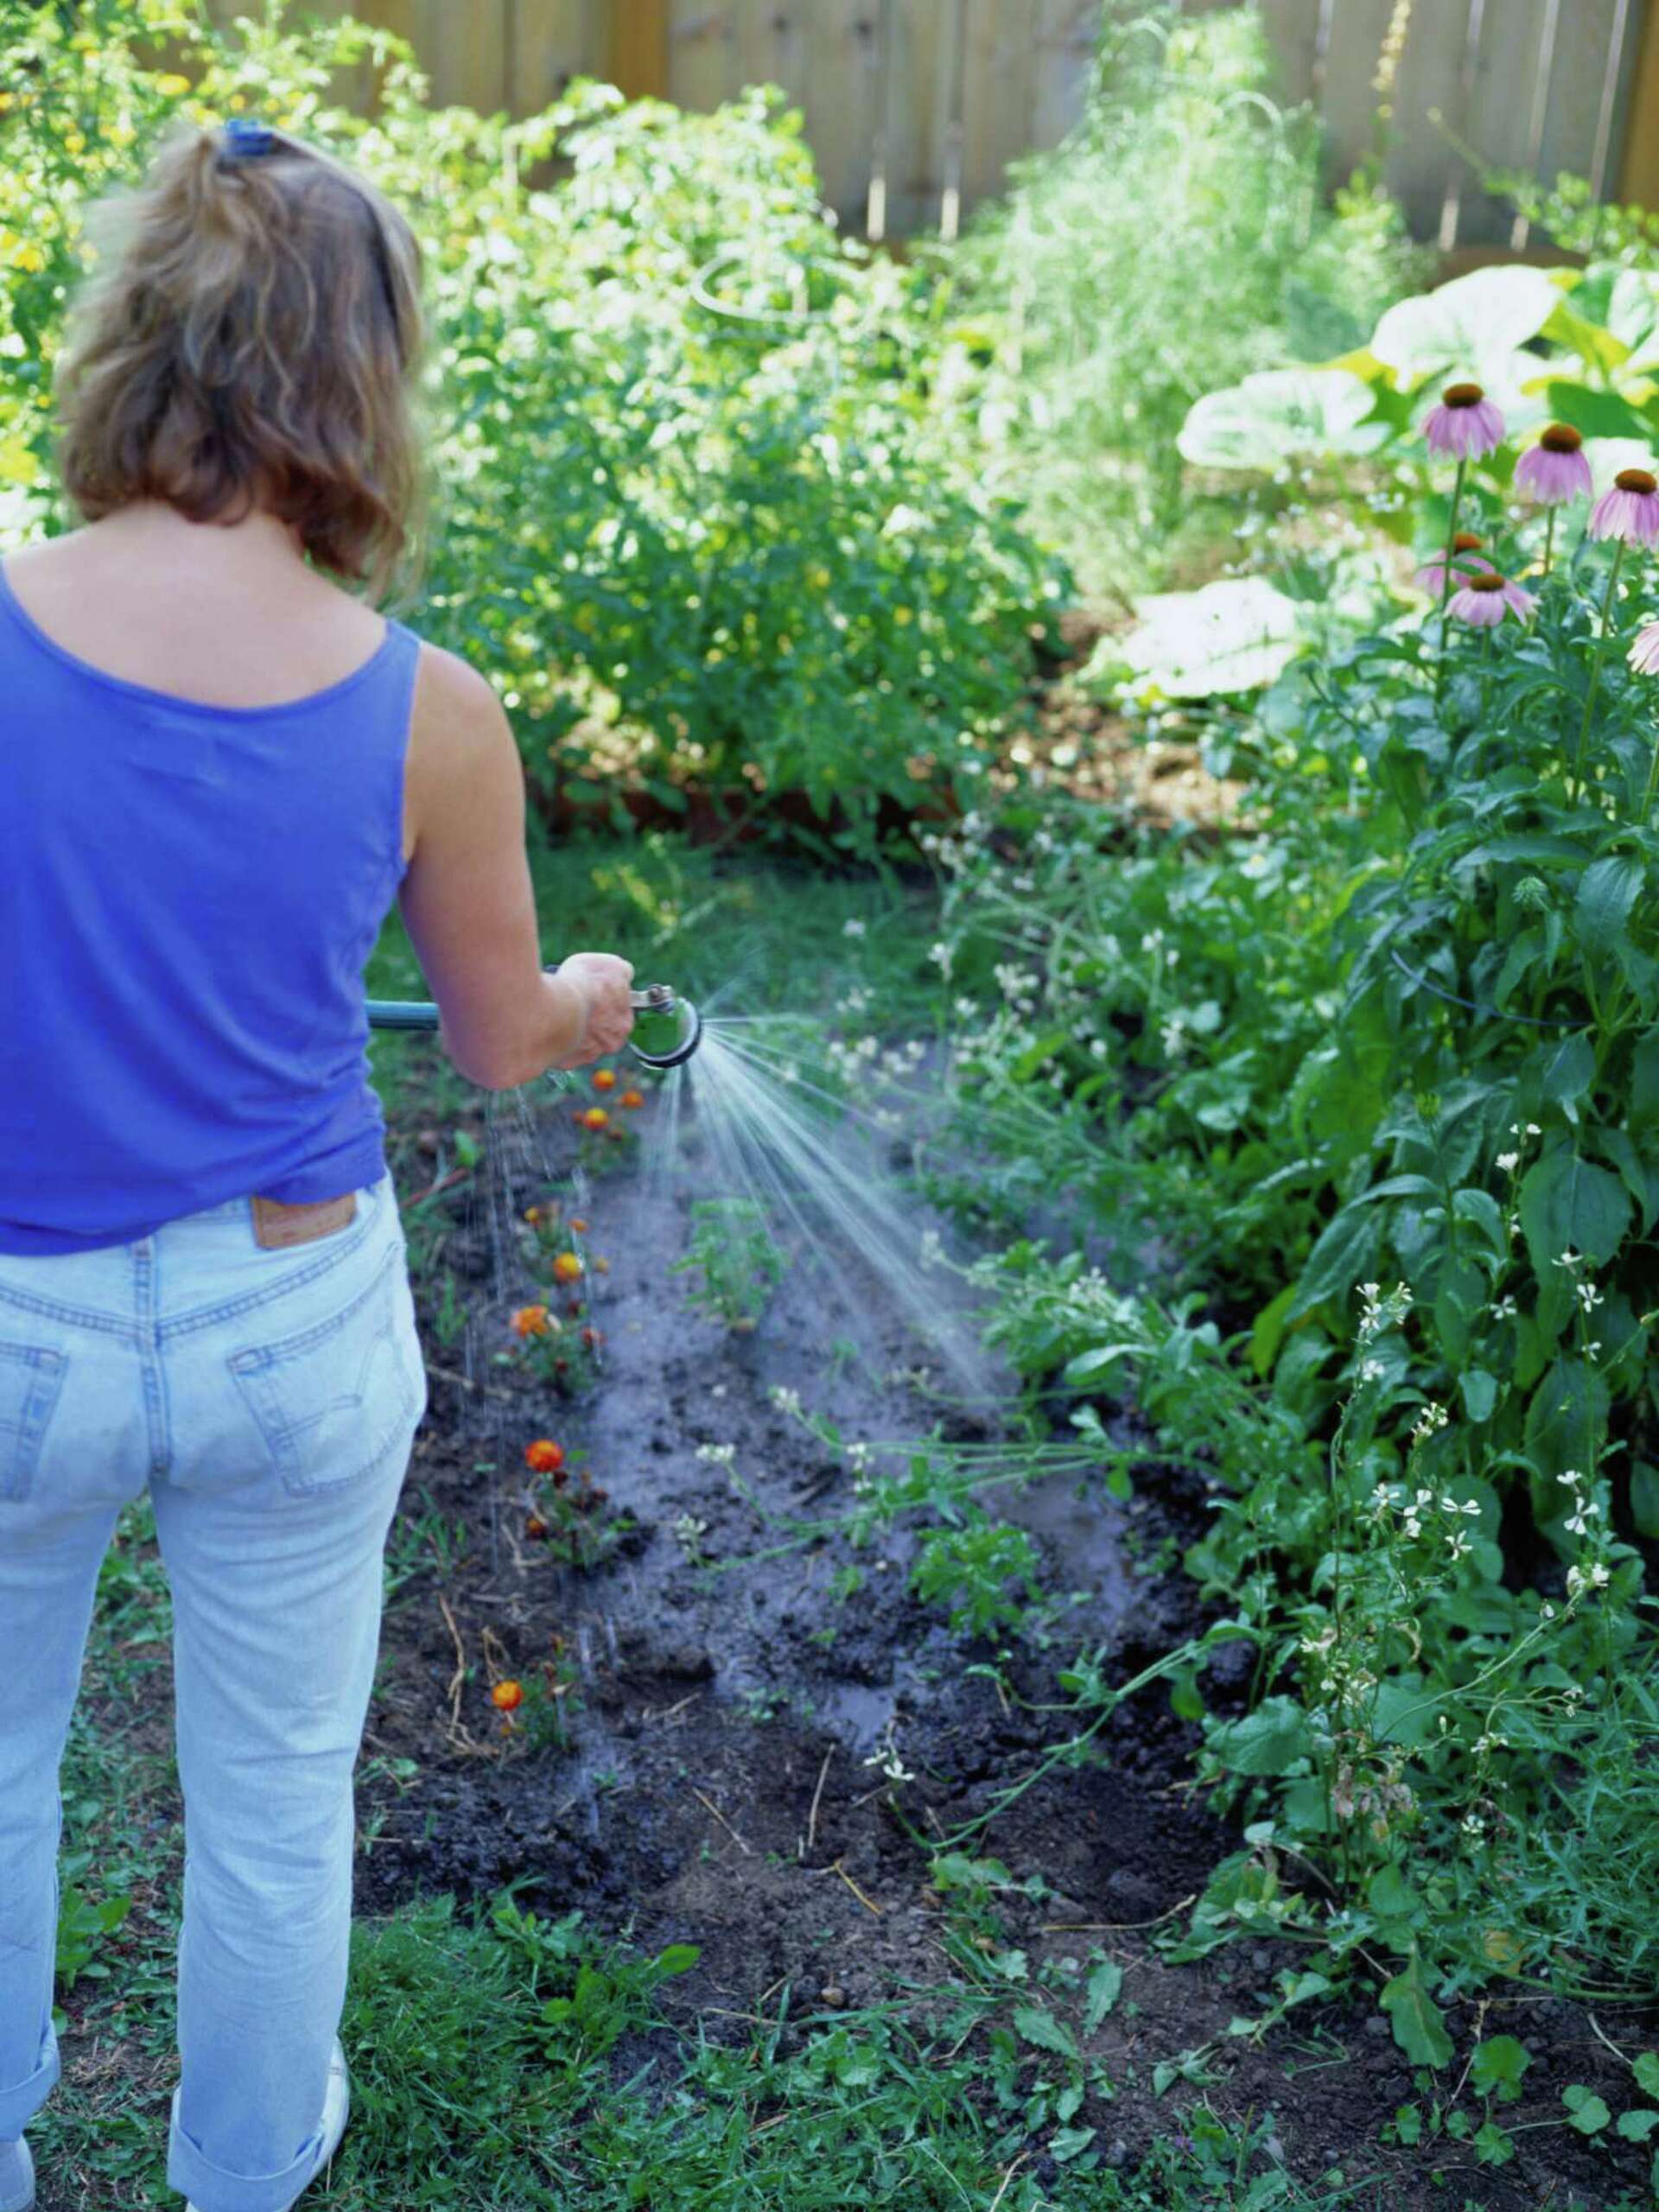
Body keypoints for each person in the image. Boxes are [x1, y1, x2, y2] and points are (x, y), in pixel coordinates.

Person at [0, 118, 634, 2212]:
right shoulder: (428, 711)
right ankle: (244, 2185)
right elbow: (498, 1039)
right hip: (290, 1315)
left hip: (13, 1317)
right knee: (273, 1803)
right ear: (358, 378)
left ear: (128, 344)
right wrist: (589, 996)